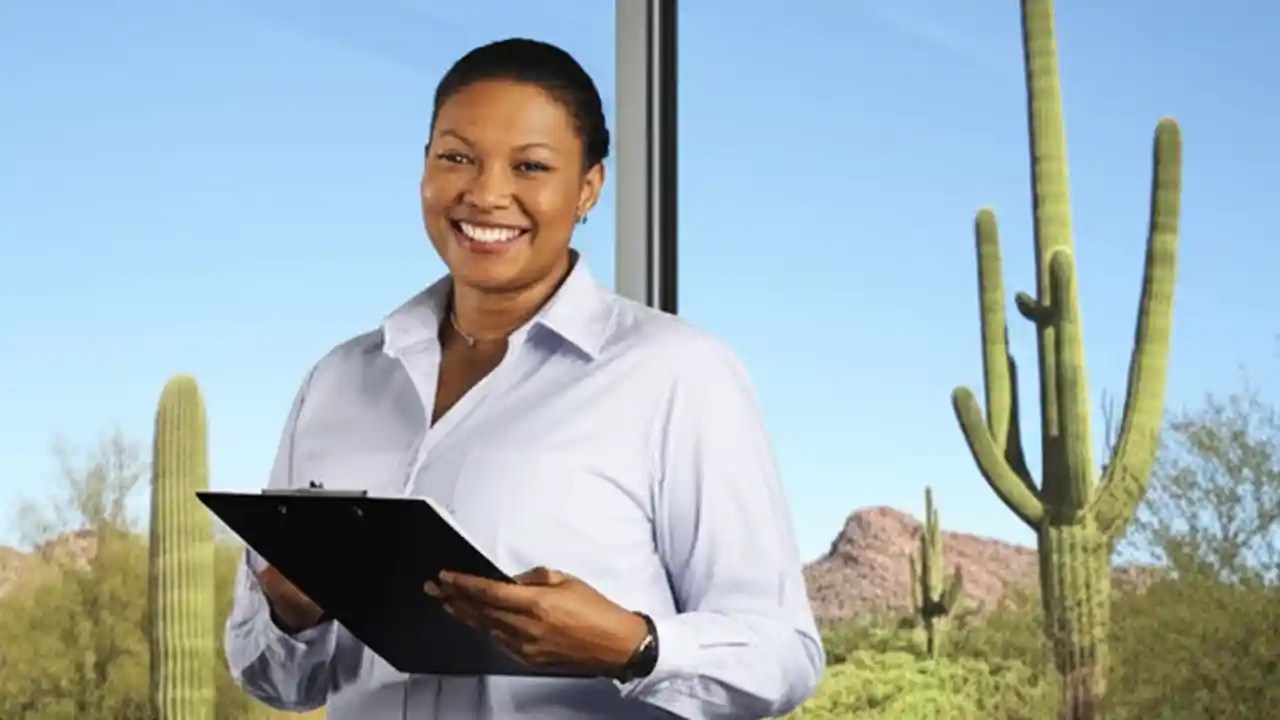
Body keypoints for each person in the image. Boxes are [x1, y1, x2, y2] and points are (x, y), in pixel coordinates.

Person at [224, 37, 824, 719]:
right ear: (423, 165)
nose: (485, 194)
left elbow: (785, 653)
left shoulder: (679, 375)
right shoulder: (337, 383)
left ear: (589, 188)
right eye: (456, 157)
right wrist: (289, 612)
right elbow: (274, 680)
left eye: (531, 165)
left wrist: (633, 646)